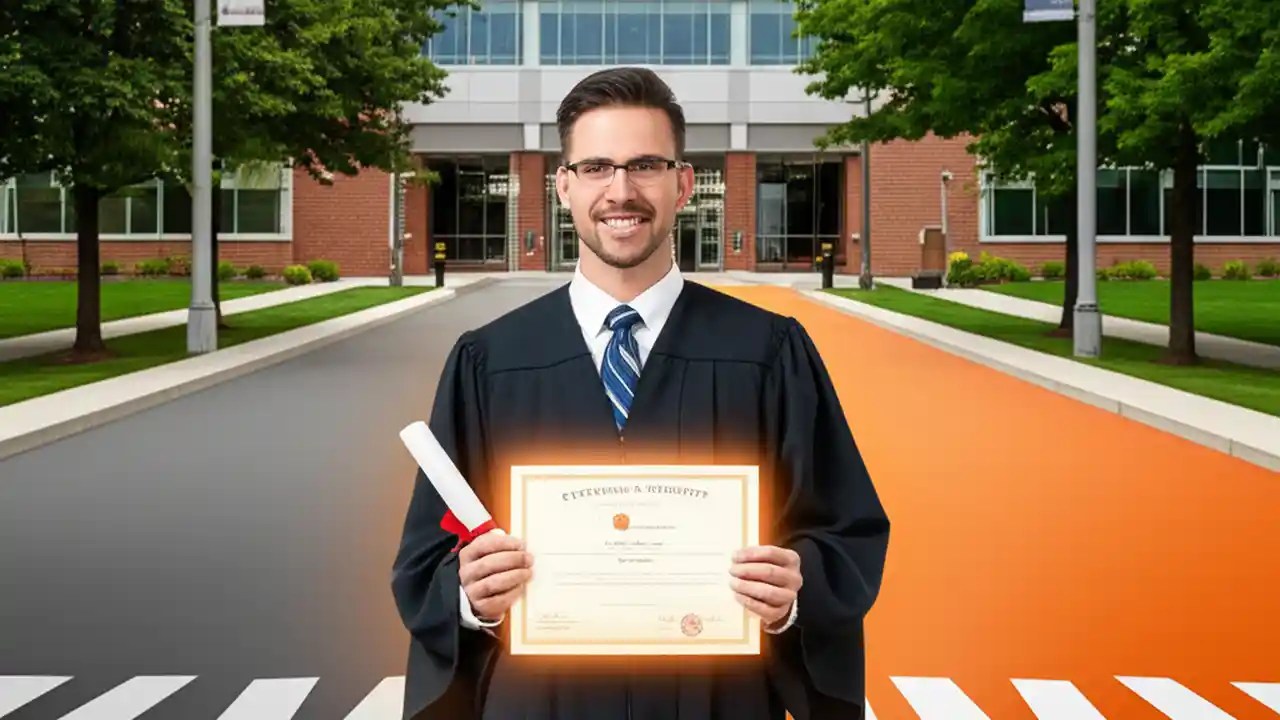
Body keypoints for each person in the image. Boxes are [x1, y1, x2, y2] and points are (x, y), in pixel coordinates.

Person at [390, 67, 889, 720]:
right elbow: (427, 559)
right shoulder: (490, 361)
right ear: (562, 185)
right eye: (595, 167)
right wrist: (469, 595)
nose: (620, 192)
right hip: (540, 704)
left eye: (644, 165)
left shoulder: (768, 353)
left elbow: (845, 530)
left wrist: (796, 592)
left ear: (683, 183)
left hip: (719, 701)